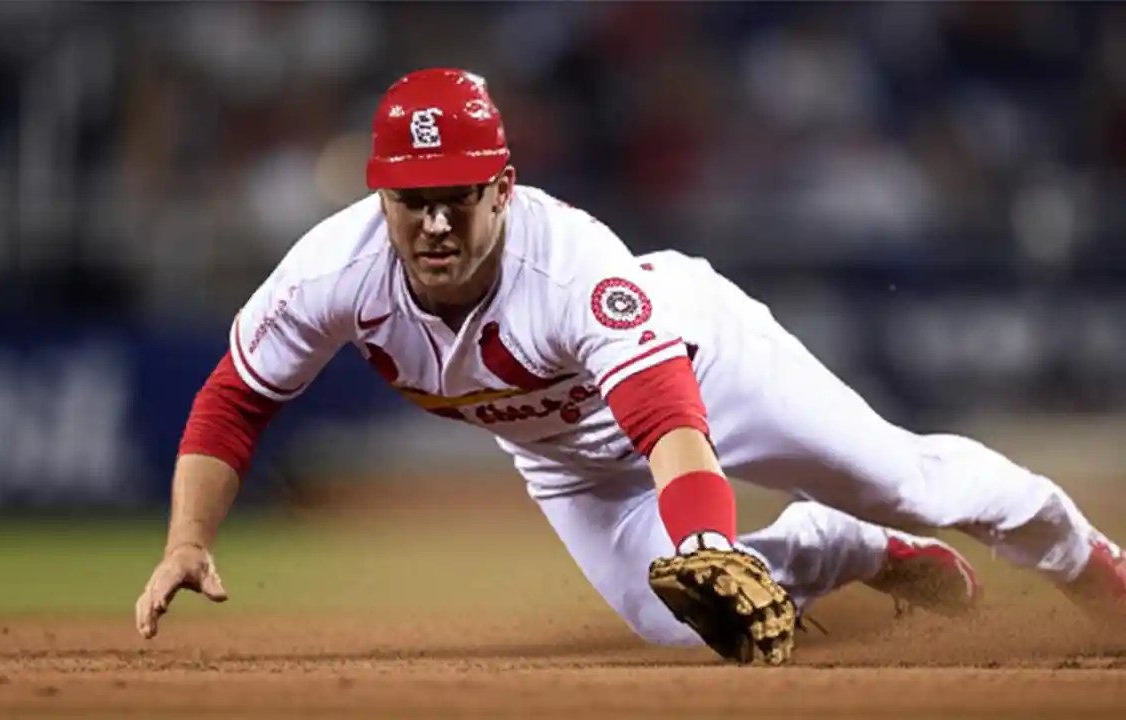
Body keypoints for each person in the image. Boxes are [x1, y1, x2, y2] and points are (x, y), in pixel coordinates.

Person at [134, 68, 1124, 664]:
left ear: (502, 187)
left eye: (457, 195)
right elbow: (234, 399)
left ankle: (1082, 558)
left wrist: (702, 537)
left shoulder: (569, 267)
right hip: (561, 452)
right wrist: (186, 537)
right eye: (408, 197)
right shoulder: (328, 271)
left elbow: (669, 424)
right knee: (677, 626)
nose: (433, 221)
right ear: (376, 196)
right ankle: (837, 549)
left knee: (901, 480)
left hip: (705, 366)